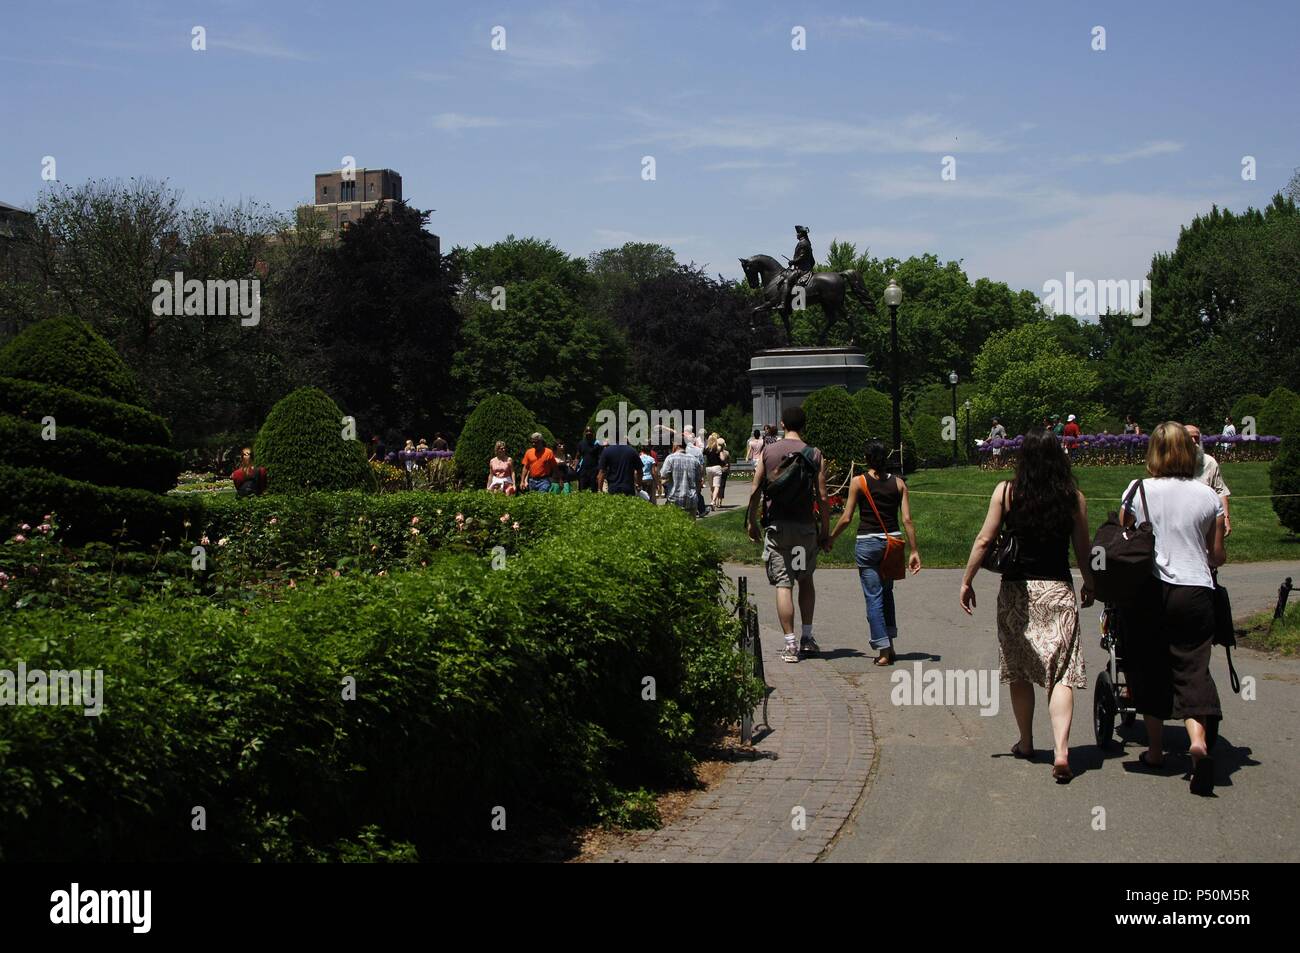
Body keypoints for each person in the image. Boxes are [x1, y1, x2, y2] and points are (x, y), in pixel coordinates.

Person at [959, 426, 1096, 783]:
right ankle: (1063, 750)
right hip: (1058, 591)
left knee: (1019, 669)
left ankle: (1026, 740)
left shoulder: (1006, 492)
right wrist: (1091, 584)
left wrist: (967, 579)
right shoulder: (1073, 498)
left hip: (1017, 594)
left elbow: (986, 538)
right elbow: (1083, 550)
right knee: (1061, 672)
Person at [1119, 422, 1225, 796]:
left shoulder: (1137, 490)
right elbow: (1217, 555)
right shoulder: (1207, 496)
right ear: (1189, 452)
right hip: (1196, 590)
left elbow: (1123, 542)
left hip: (1152, 589)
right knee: (1193, 667)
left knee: (1150, 665)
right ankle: (1198, 742)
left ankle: (1156, 748)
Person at [746, 405, 830, 663]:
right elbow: (823, 497)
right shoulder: (814, 454)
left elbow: (755, 490)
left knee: (784, 584)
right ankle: (807, 638)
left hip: (778, 528)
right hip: (804, 528)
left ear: (782, 424)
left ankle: (790, 644)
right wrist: (824, 531)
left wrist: (751, 522)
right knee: (804, 579)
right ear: (804, 425)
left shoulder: (768, 451)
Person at [829, 440, 921, 666]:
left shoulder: (858, 482)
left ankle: (883, 651)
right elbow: (907, 519)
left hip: (868, 543)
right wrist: (914, 550)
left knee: (873, 596)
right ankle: (890, 644)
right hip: (892, 542)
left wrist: (831, 538)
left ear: (867, 459)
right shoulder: (899, 484)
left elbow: (847, 517)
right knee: (887, 594)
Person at [1184, 424, 1231, 537]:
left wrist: (1226, 518)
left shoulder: (1209, 462)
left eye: (1196, 437)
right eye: (1189, 437)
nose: (1194, 441)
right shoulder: (1170, 463)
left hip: (1207, 521)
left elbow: (1220, 491)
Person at [776, 225, 815, 312]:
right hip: (804, 268)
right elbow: (812, 261)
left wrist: (793, 261)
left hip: (802, 270)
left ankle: (783, 303)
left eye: (797, 233)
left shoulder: (803, 243)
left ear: (801, 234)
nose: (796, 235)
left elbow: (802, 257)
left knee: (787, 281)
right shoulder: (807, 243)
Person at [660, 439, 703, 516]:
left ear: (676, 445)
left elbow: (663, 475)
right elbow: (699, 480)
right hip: (691, 499)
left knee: (675, 526)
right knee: (691, 526)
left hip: (675, 499)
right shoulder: (694, 460)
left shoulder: (670, 458)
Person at [575, 427, 603, 492]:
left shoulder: (597, 444)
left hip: (594, 470)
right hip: (583, 470)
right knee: (582, 489)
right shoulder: (581, 443)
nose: (588, 433)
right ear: (585, 433)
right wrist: (575, 468)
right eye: (587, 431)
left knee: (594, 489)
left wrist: (599, 471)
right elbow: (577, 456)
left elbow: (600, 458)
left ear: (593, 433)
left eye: (590, 431)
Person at [704, 433, 726, 509]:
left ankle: (712, 503)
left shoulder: (707, 449)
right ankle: (713, 501)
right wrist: (722, 450)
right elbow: (723, 459)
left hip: (708, 468)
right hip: (716, 467)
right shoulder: (718, 448)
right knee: (716, 486)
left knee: (711, 487)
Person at [716, 438, 732, 506]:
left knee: (716, 486)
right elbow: (729, 462)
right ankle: (720, 501)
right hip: (724, 470)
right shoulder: (726, 453)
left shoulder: (715, 452)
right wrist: (728, 470)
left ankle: (716, 500)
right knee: (722, 486)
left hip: (717, 470)